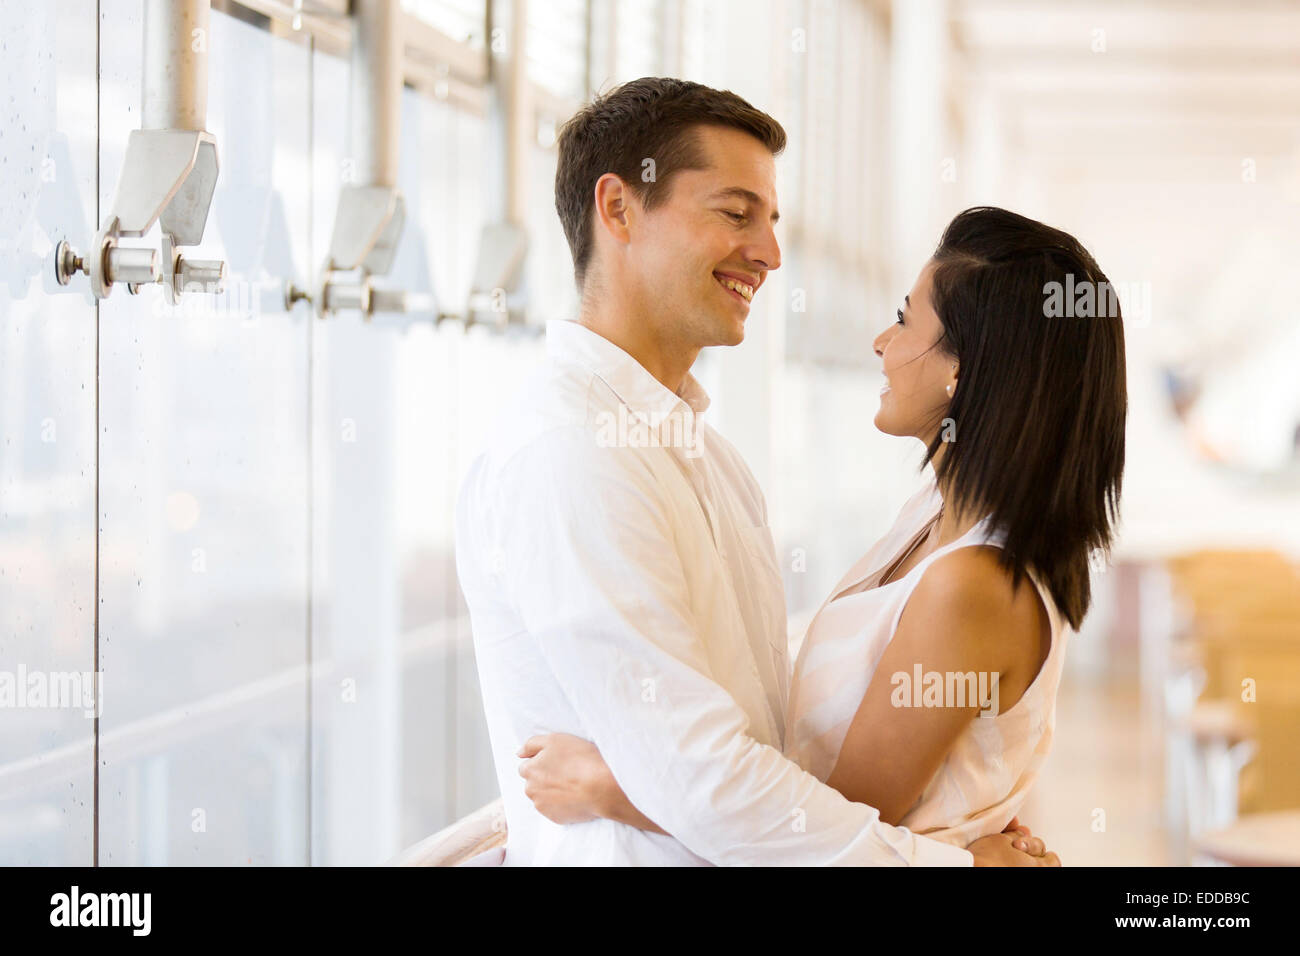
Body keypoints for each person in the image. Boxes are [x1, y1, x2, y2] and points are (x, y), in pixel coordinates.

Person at [455, 77, 1060, 866]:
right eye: (736, 215)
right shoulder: (570, 453)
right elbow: (702, 777)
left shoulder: (711, 461)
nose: (771, 255)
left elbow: (749, 756)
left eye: (771, 222)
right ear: (618, 209)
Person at [519, 207, 1126, 851]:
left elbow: (824, 830)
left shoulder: (972, 585)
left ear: (963, 371)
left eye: (902, 319)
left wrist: (614, 788)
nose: (880, 342)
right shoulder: (933, 518)